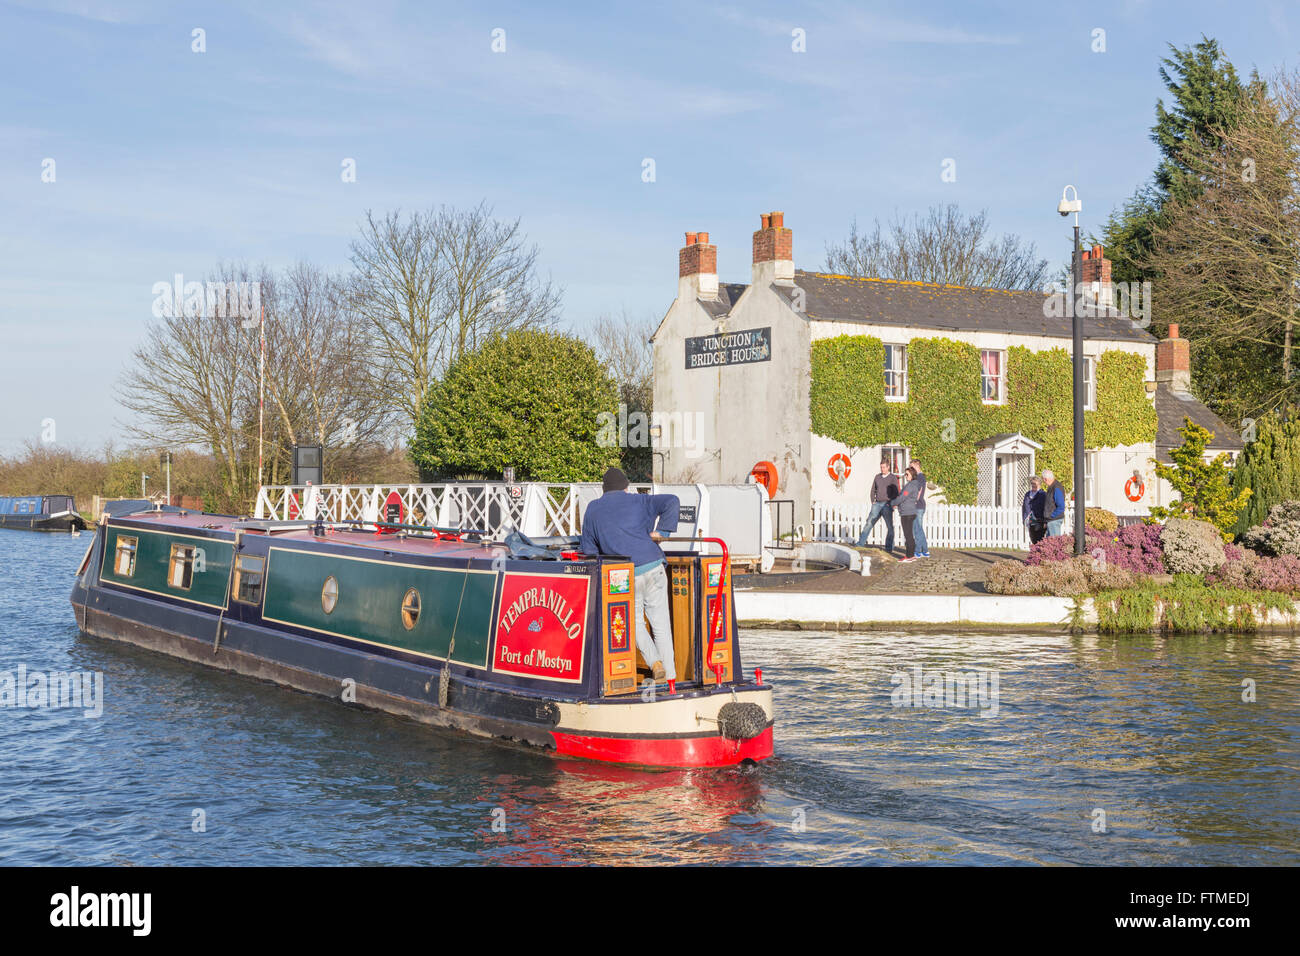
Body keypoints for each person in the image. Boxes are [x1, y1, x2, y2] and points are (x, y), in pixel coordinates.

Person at [580, 467, 679, 681]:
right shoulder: (639, 501)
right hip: (653, 566)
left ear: (603, 490)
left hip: (623, 573)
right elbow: (672, 501)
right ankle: (670, 679)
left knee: (632, 622)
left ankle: (654, 662)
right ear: (626, 487)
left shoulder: (593, 509)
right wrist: (662, 532)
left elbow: (588, 551)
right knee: (661, 624)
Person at [855, 459, 898, 552]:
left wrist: (892, 503)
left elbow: (896, 492)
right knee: (869, 523)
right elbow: (873, 490)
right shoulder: (877, 477)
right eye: (881, 467)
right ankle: (860, 543)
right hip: (877, 504)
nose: (882, 469)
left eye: (883, 467)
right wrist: (872, 500)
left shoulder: (893, 478)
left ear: (888, 467)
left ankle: (889, 547)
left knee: (890, 526)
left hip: (887, 504)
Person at [895, 464, 925, 562]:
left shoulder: (911, 485)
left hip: (907, 513)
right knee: (910, 535)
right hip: (910, 511)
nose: (906, 476)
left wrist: (892, 503)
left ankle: (909, 556)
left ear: (912, 475)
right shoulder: (913, 485)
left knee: (908, 535)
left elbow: (903, 497)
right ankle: (911, 555)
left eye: (907, 474)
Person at [910, 459, 930, 558]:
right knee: (918, 529)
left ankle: (918, 550)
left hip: (918, 506)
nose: (910, 469)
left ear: (917, 465)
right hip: (917, 506)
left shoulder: (920, 477)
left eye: (911, 467)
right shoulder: (917, 477)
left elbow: (919, 491)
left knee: (917, 529)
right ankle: (924, 550)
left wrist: (914, 500)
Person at [1022, 476, 1048, 545]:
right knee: (1033, 538)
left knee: (1039, 539)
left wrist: (1045, 521)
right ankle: (1035, 553)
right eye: (1032, 484)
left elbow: (1046, 508)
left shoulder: (1043, 494)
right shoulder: (1027, 494)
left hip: (1039, 520)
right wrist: (1024, 518)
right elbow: (1024, 507)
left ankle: (1039, 554)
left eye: (1035, 484)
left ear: (1039, 485)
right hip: (1030, 520)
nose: (1033, 486)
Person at [1041, 469, 1066, 537]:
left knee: (1054, 543)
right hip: (1051, 520)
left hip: (1054, 520)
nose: (1044, 481)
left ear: (1045, 479)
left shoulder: (1056, 488)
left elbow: (1061, 506)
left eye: (1043, 480)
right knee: (1050, 543)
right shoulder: (1051, 487)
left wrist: (1051, 516)